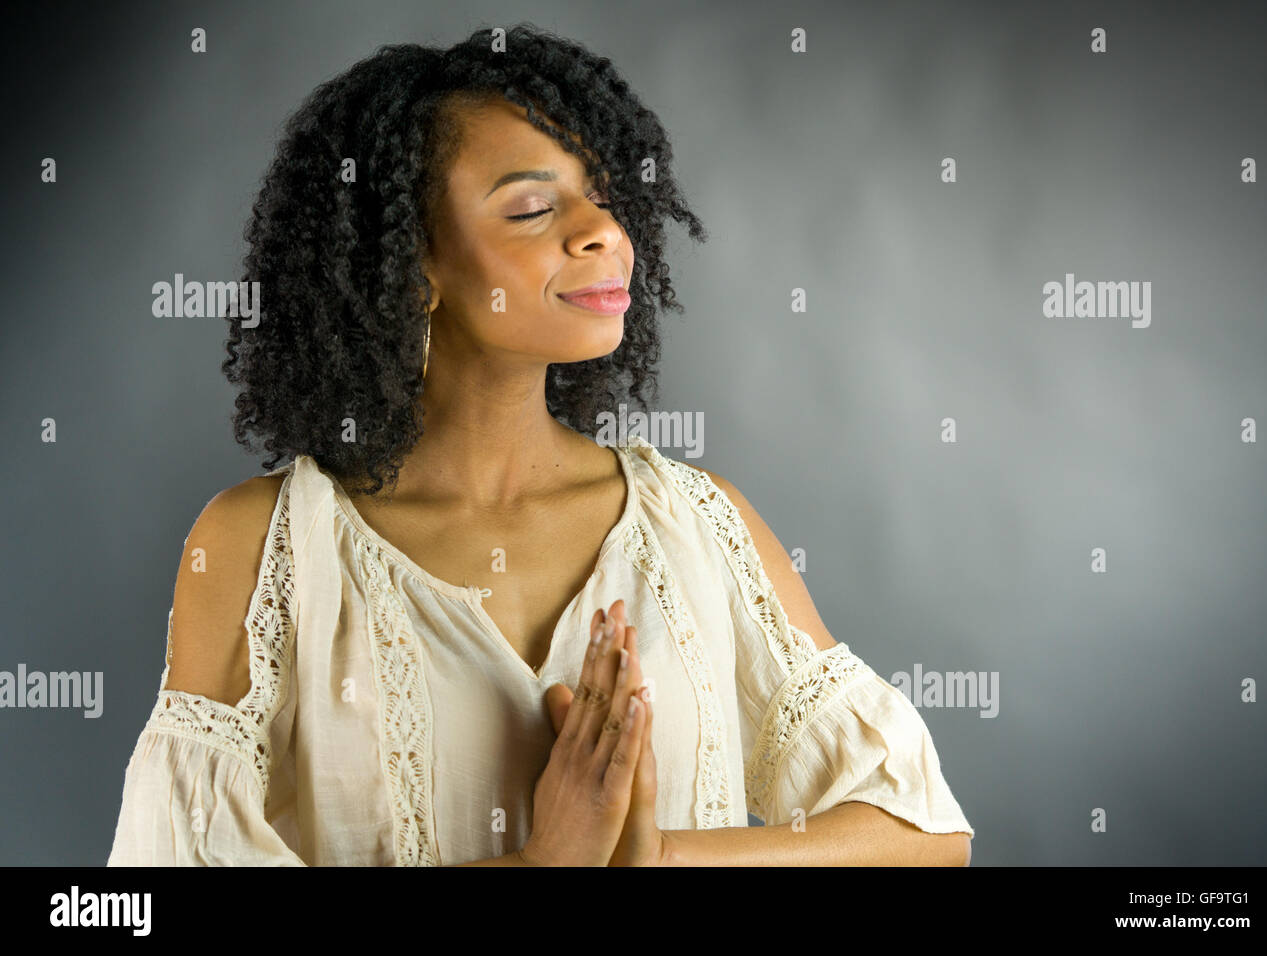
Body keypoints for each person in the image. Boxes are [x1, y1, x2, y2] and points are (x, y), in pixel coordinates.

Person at [107, 23, 974, 866]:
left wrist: (661, 859)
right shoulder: (263, 546)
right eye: (531, 208)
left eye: (604, 198)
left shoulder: (699, 525)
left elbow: (922, 832)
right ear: (412, 267)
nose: (602, 231)